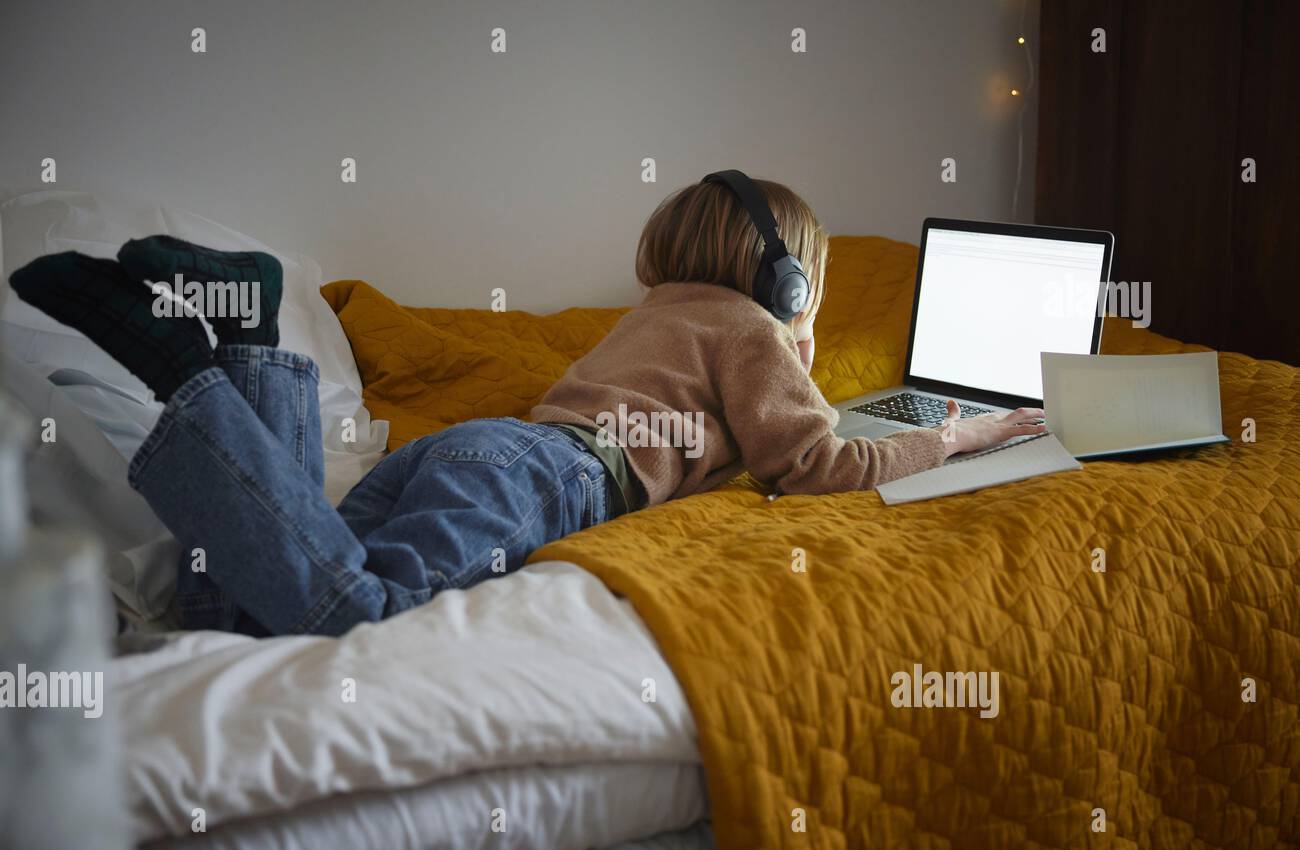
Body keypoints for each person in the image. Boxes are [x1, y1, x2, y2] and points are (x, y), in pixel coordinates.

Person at [7, 176, 1044, 637]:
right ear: (788, 287)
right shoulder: (754, 331)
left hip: (486, 450)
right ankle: (182, 370)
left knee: (246, 603)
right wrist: (954, 435)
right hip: (545, 480)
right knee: (352, 616)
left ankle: (245, 340)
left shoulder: (663, 313)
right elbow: (811, 462)